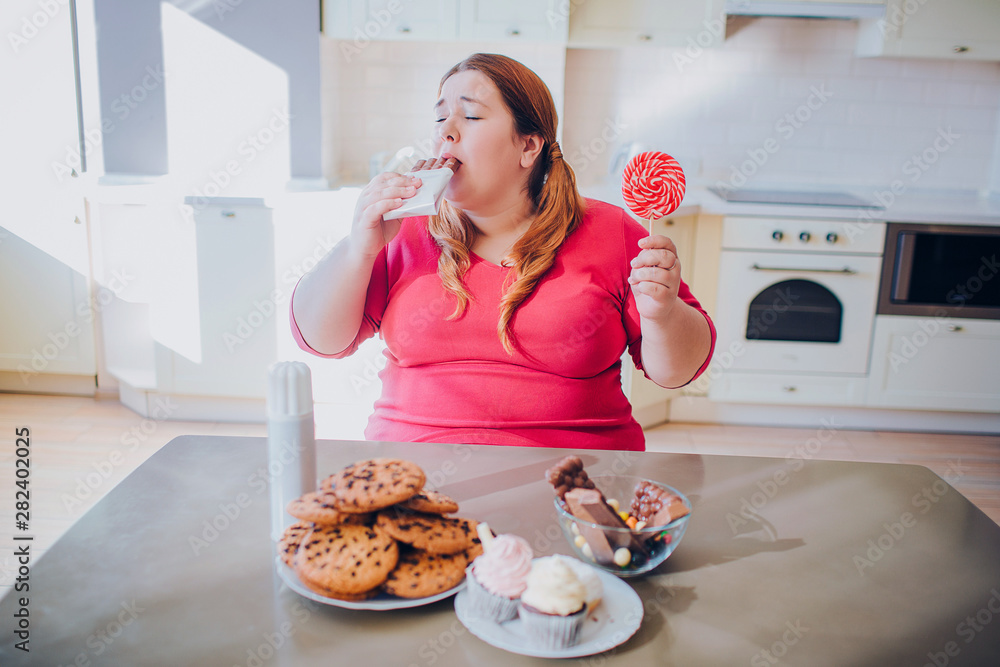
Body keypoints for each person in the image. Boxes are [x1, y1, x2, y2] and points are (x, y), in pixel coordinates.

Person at [290, 53, 715, 451]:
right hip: (412, 474)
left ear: (528, 147)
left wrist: (662, 314)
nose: (445, 131)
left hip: (575, 479)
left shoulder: (610, 232)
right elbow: (320, 342)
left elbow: (678, 372)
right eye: (440, 117)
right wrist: (358, 247)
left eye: (471, 116)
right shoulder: (400, 230)